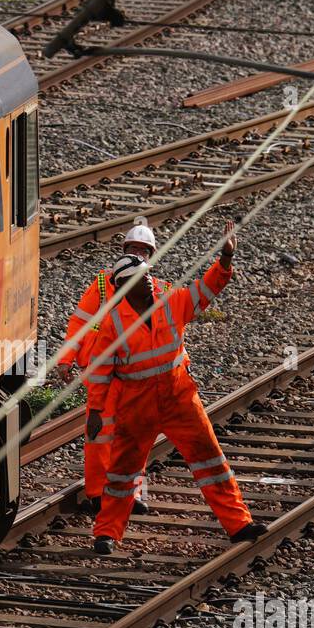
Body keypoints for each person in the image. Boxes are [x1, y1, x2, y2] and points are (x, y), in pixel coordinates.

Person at [83, 228, 267, 554]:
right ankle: (106, 534)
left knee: (209, 459)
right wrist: (96, 411)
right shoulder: (115, 321)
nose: (140, 285)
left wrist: (225, 257)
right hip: (137, 404)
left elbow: (207, 289)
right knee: (123, 473)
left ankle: (239, 525)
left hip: (179, 396)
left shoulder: (170, 299)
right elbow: (100, 371)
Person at [56, 224, 162, 515]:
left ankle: (132, 494)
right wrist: (66, 359)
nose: (138, 254)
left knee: (134, 436)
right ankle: (98, 495)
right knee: (99, 436)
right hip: (101, 371)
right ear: (124, 251)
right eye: (134, 249)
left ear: (151, 256)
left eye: (143, 250)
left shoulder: (156, 289)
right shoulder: (103, 284)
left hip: (136, 374)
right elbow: (79, 322)